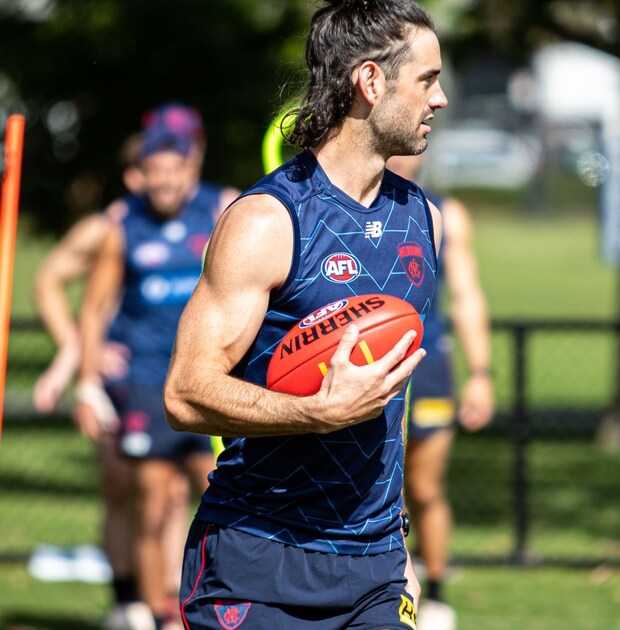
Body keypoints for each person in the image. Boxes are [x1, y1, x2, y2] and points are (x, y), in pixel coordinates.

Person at [162, 1, 448, 628]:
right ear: (371, 82)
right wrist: (312, 413)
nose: (442, 98)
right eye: (426, 79)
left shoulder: (425, 220)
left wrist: (398, 547)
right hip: (257, 559)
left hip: (375, 567)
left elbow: (387, 410)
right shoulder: (266, 221)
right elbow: (185, 394)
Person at [77, 110, 238, 630]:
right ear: (141, 172)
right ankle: (157, 615)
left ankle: (224, 607)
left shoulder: (222, 210)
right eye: (156, 171)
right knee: (153, 502)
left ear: (192, 168)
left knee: (220, 493)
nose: (166, 181)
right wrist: (86, 382)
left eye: (176, 170)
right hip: (144, 381)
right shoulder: (122, 226)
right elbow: (95, 307)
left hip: (209, 377)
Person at [33, 133, 150, 630]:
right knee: (120, 486)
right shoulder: (110, 227)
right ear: (133, 177)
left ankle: (160, 598)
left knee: (161, 494)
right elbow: (48, 280)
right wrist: (78, 351)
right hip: (115, 378)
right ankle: (125, 599)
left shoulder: (198, 220)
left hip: (159, 371)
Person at [386, 154, 495, 630]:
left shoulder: (443, 213)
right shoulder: (348, 207)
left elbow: (468, 295)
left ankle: (436, 596)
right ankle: (387, 588)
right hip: (369, 369)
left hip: (429, 368)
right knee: (379, 488)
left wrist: (480, 372)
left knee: (425, 487)